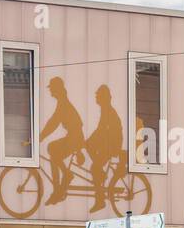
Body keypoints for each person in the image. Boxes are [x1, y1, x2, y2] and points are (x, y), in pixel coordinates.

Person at [39, 76, 84, 205]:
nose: (50, 91)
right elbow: (53, 122)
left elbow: (53, 122)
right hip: (74, 136)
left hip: (75, 137)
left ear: (56, 89)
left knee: (52, 149)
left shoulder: (63, 103)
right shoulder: (62, 102)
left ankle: (62, 182)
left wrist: (40, 137)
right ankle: (60, 184)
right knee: (52, 149)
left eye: (52, 89)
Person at [83, 84, 123, 213]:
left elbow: (101, 130)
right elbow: (101, 130)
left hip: (112, 145)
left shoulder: (108, 111)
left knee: (94, 168)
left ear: (103, 97)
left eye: (98, 95)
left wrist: (89, 141)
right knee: (89, 148)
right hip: (108, 142)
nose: (96, 97)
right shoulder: (106, 109)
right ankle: (99, 170)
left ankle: (100, 200)